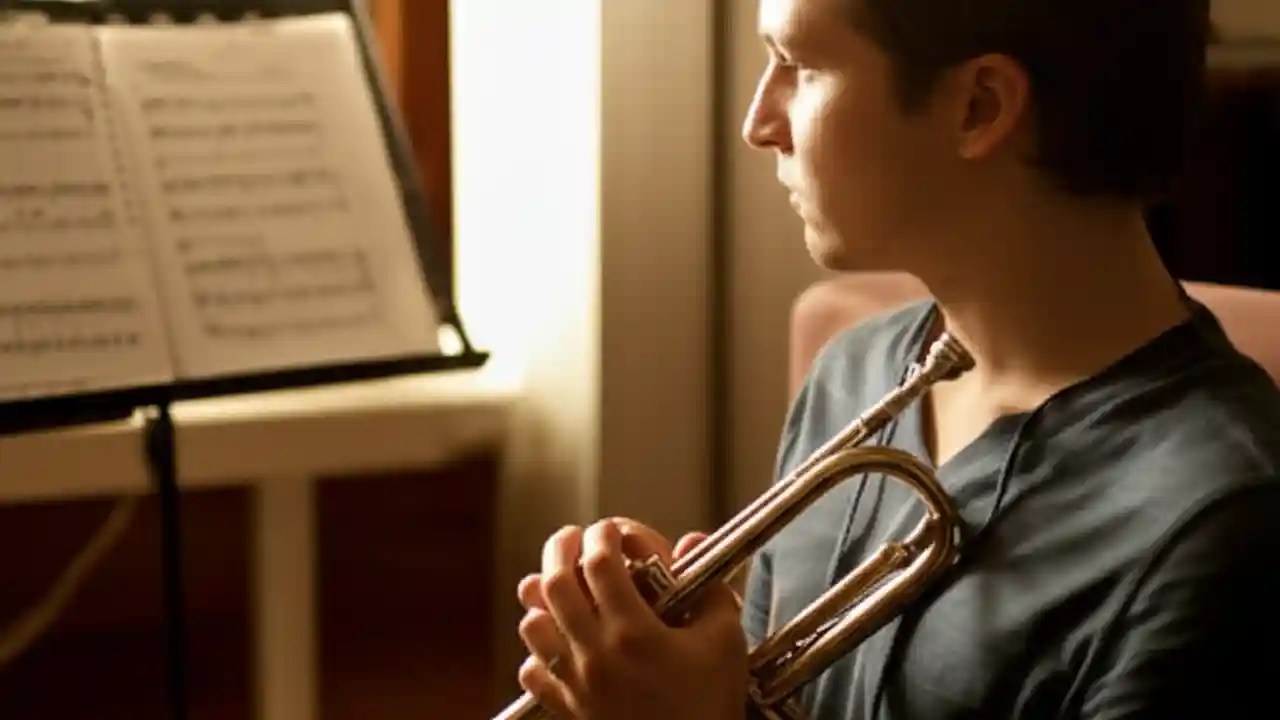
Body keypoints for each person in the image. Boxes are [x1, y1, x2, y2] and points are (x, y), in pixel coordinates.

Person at [511, 0, 1280, 717]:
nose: (758, 122)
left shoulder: (1221, 523)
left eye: (802, 67)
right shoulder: (854, 371)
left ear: (977, 106)